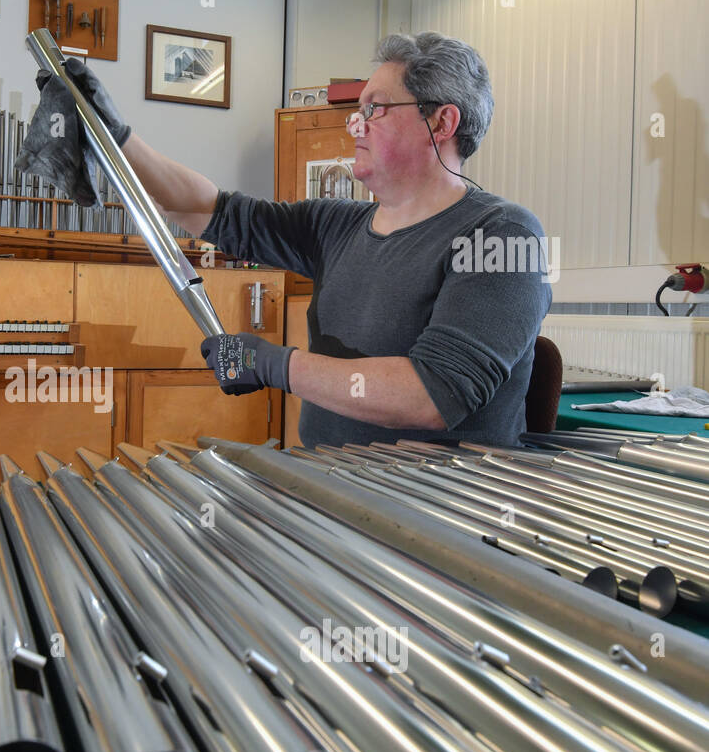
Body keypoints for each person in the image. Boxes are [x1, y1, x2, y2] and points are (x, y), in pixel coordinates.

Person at [42, 32, 553, 448]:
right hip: (333, 494)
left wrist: (271, 363)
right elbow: (209, 210)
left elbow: (431, 395)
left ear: (442, 121)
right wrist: (113, 136)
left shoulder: (501, 236)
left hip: (438, 518)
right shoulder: (337, 224)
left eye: (375, 108)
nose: (356, 124)